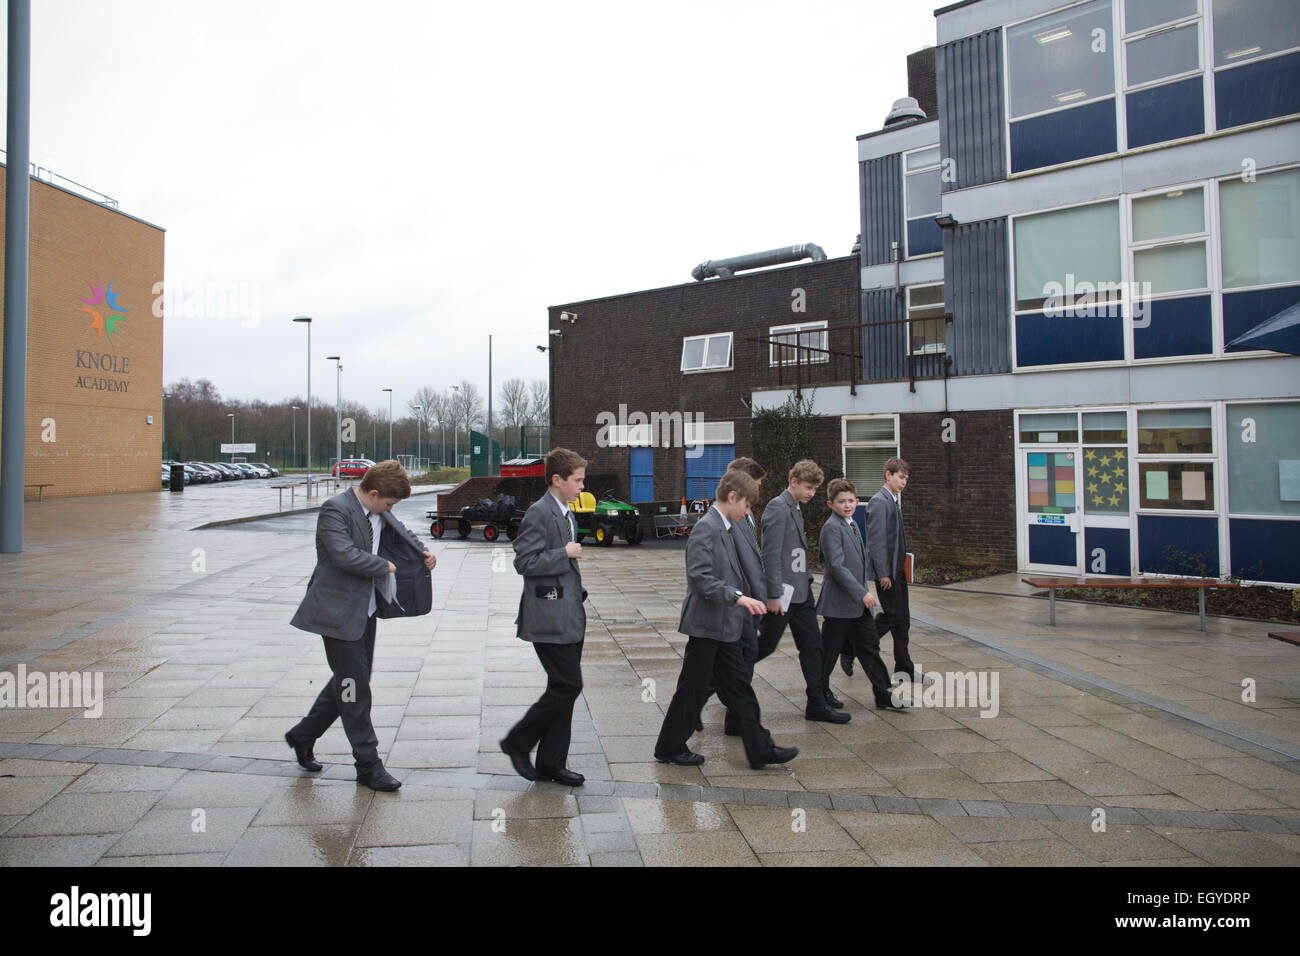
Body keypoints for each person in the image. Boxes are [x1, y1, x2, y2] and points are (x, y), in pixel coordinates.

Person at [287, 460, 437, 792]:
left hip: (365, 611)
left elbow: (401, 530)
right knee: (355, 690)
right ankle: (368, 765)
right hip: (336, 612)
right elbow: (343, 554)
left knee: (350, 680)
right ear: (372, 493)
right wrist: (384, 565)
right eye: (388, 503)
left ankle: (302, 735)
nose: (390, 509)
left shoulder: (377, 510)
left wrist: (423, 551)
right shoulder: (335, 510)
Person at [654, 469, 798, 769]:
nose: (747, 512)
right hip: (708, 625)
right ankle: (669, 746)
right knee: (693, 689)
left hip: (725, 625)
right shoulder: (708, 527)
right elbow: (699, 577)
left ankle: (760, 749)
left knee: (738, 688)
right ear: (732, 497)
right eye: (746, 505)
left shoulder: (727, 526)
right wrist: (738, 597)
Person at [500, 448, 588, 787]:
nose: (582, 486)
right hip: (548, 618)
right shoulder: (539, 513)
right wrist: (562, 553)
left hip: (569, 615)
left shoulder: (566, 511)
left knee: (561, 689)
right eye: (577, 480)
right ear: (557, 479)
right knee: (569, 684)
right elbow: (524, 562)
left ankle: (552, 763)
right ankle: (518, 742)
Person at [755, 460, 849, 724]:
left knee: (813, 647)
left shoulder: (795, 507)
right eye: (808, 487)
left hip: (800, 592)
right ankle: (715, 684)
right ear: (793, 481)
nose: (812, 493)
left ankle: (817, 704)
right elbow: (770, 555)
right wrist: (773, 594)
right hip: (782, 595)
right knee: (764, 646)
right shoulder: (777, 507)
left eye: (816, 489)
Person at [817, 479, 908, 711]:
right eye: (841, 502)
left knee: (870, 648)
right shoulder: (831, 528)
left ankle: (882, 694)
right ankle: (819, 693)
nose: (847, 505)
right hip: (839, 604)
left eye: (850, 501)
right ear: (830, 504)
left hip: (858, 605)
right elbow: (836, 567)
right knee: (828, 653)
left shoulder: (852, 524)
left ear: (857, 502)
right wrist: (862, 593)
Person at [701, 457, 768, 739]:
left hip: (743, 600)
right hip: (737, 601)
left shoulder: (744, 515)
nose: (758, 492)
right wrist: (753, 598)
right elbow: (741, 563)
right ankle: (740, 722)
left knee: (736, 660)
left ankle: (735, 719)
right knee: (737, 661)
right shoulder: (728, 519)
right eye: (756, 486)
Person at [866, 458, 916, 684]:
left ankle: (905, 669)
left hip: (898, 570)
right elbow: (876, 541)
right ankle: (853, 647)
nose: (904, 482)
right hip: (888, 572)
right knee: (893, 616)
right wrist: (883, 572)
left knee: (903, 620)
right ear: (888, 475)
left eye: (906, 478)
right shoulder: (879, 501)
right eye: (901, 477)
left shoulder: (893, 500)